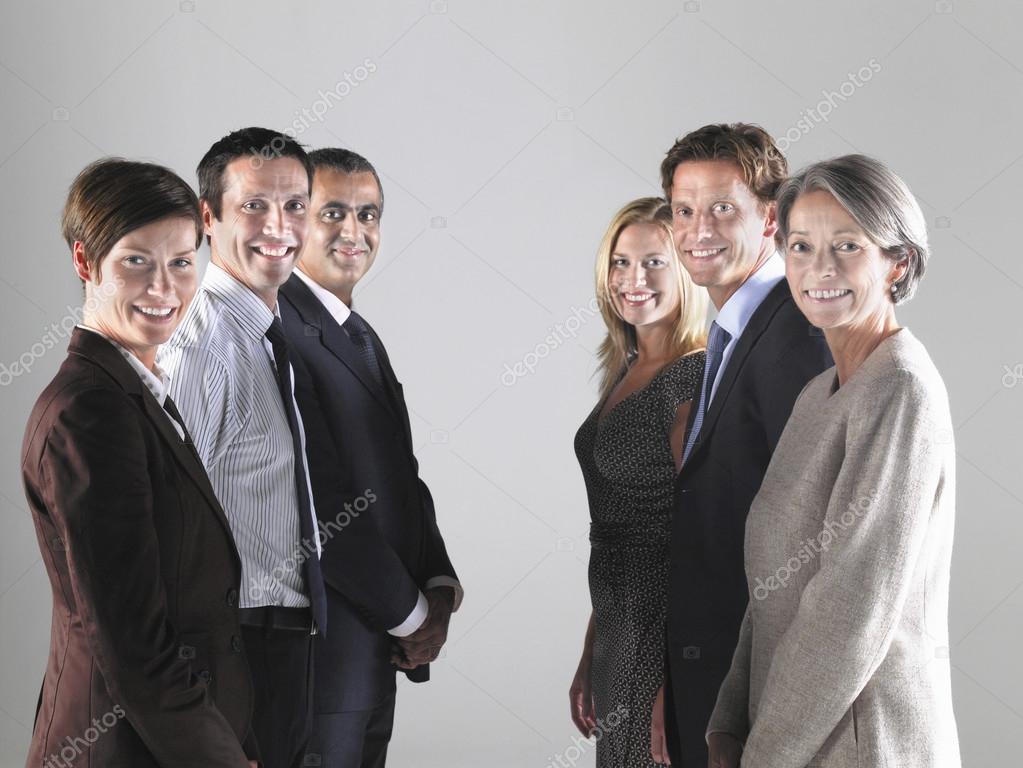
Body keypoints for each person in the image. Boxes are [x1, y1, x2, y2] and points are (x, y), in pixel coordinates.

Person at [706, 155, 962, 767]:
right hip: (794, 736)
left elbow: (851, 610)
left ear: (897, 262)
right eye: (800, 246)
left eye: (847, 245)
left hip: (864, 741)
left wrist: (762, 756)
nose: (819, 268)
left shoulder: (898, 390)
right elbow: (774, 586)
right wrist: (728, 722)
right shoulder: (818, 394)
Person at [22, 158, 258, 767]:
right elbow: (132, 642)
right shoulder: (90, 412)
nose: (164, 288)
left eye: (181, 262)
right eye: (136, 261)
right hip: (121, 748)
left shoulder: (137, 389)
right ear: (84, 262)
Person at [653, 123, 833, 766]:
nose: (698, 230)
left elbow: (816, 532)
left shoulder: (796, 331)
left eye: (722, 208)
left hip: (761, 694)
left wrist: (769, 722)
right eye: (684, 210)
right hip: (712, 679)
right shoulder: (731, 332)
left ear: (771, 221)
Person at [278, 148, 462, 768]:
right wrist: (412, 617)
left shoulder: (357, 332)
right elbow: (318, 500)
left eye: (369, 213)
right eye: (333, 212)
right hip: (324, 663)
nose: (354, 231)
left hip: (373, 658)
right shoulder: (279, 328)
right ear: (294, 219)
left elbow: (398, 475)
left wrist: (438, 582)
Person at [158, 127, 326, 768]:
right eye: (254, 204)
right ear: (208, 217)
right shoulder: (200, 346)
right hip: (227, 652)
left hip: (280, 643)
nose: (278, 225)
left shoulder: (264, 333)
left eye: (295, 205)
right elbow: (165, 522)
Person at [570, 197, 708, 767]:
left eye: (655, 262)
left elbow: (700, 542)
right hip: (616, 627)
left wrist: (677, 681)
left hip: (661, 634)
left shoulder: (691, 374)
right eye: (620, 262)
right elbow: (616, 527)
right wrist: (590, 649)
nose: (633, 280)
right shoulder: (625, 368)